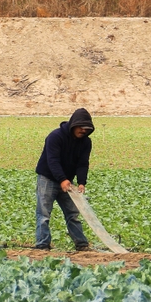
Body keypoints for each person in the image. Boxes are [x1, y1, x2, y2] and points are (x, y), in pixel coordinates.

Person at [34, 108, 95, 251]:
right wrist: (62, 179)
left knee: (73, 213)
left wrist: (81, 182)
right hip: (48, 178)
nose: (83, 131)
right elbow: (52, 160)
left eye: (86, 128)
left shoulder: (86, 142)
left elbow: (83, 163)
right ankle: (42, 244)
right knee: (43, 213)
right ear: (74, 124)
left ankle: (81, 244)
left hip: (67, 181)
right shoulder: (55, 137)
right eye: (81, 127)